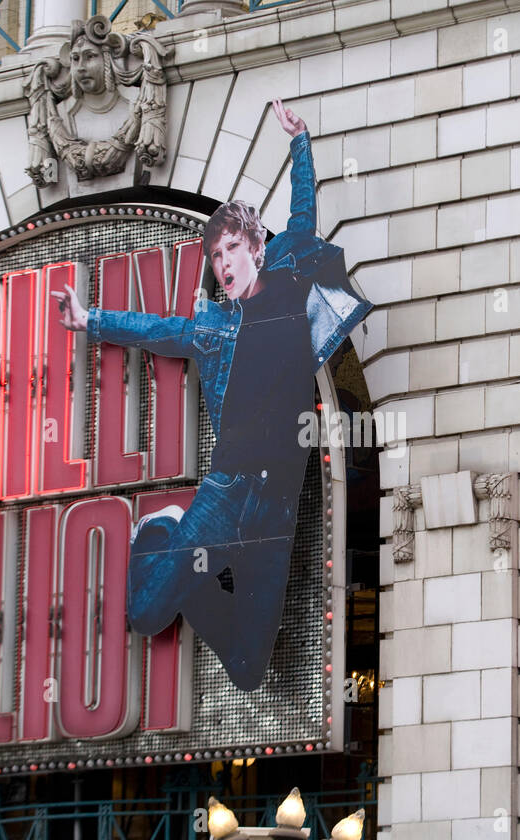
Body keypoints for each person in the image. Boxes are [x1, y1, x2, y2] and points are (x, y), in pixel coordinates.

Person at [54, 99, 372, 691]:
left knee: (250, 672)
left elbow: (303, 215)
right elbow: (156, 330)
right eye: (214, 255)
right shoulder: (212, 328)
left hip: (276, 505)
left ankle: (195, 569)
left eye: (231, 249)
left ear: (256, 248)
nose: (223, 264)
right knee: (145, 612)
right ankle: (161, 535)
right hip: (224, 495)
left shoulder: (288, 281)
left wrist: (300, 145)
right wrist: (90, 319)